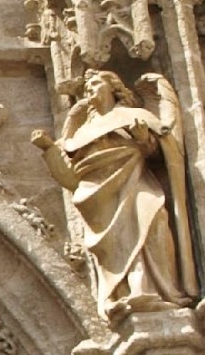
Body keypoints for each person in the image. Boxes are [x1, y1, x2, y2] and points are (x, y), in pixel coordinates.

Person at [34, 69, 192, 322]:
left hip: (135, 181)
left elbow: (162, 154)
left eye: (96, 83)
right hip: (100, 197)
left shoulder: (133, 116)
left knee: (153, 222)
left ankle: (153, 290)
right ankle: (126, 293)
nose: (89, 90)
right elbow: (72, 177)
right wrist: (49, 149)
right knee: (118, 243)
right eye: (86, 88)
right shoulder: (83, 130)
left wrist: (144, 141)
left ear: (114, 89)